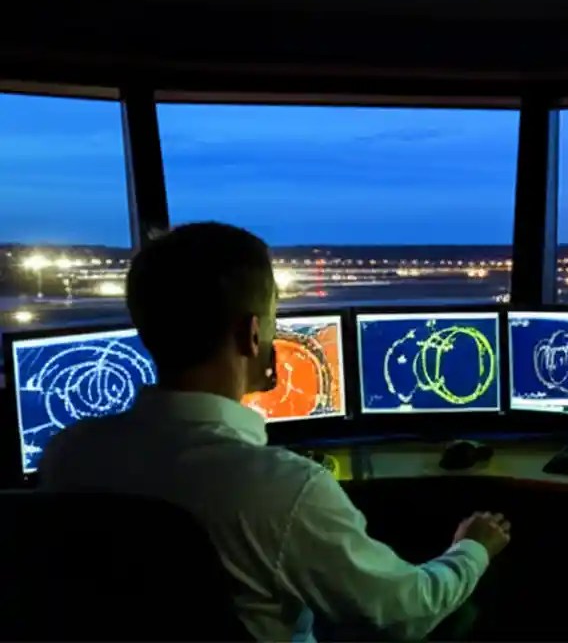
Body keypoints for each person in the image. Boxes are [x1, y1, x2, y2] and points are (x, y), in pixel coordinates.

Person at [40, 222, 511, 641]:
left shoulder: (66, 454)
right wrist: (473, 547)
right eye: (272, 320)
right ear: (251, 335)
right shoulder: (282, 489)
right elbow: (405, 614)